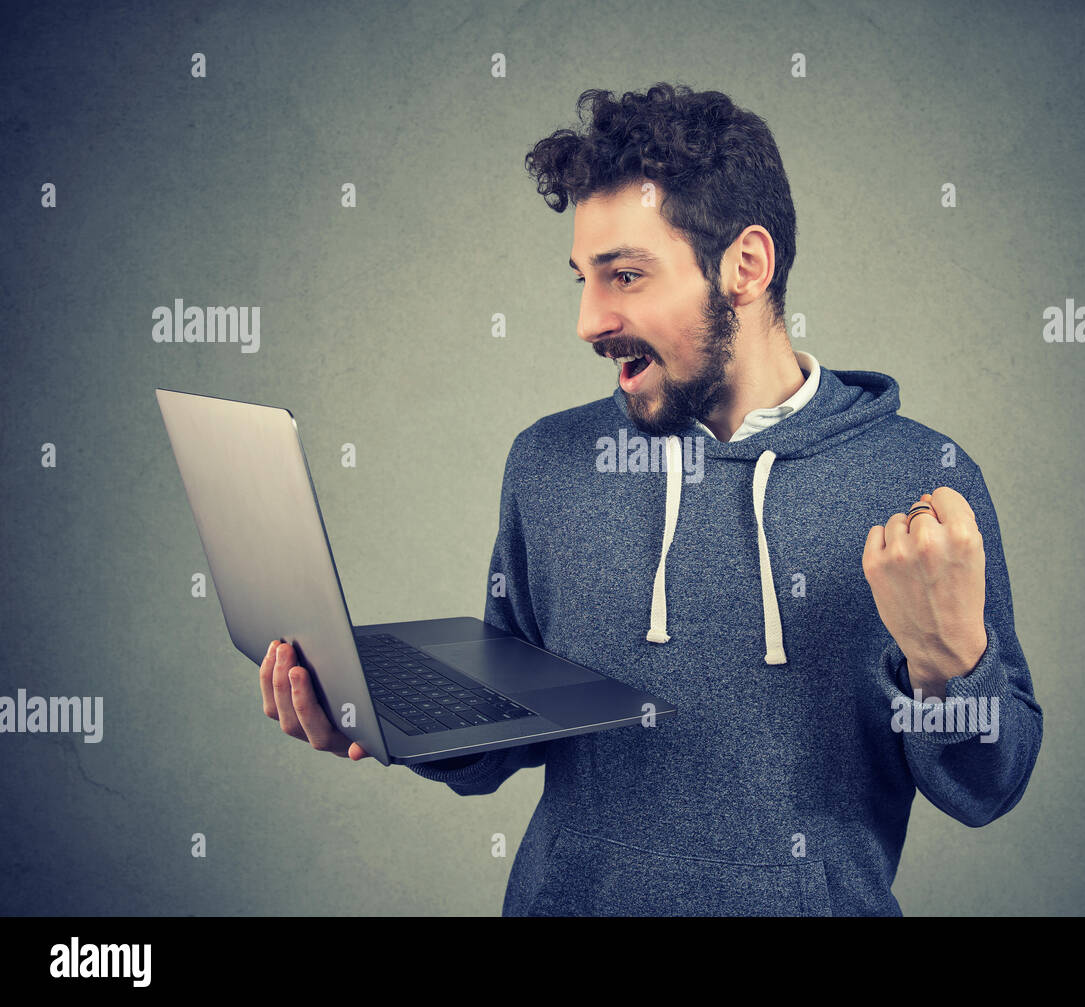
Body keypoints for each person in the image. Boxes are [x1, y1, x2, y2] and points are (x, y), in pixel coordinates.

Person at [261, 82, 1043, 916]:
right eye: (583, 281)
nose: (590, 321)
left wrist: (948, 664)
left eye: (626, 275)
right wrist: (380, 713)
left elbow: (985, 787)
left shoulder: (919, 480)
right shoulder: (548, 462)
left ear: (746, 266)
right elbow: (506, 732)